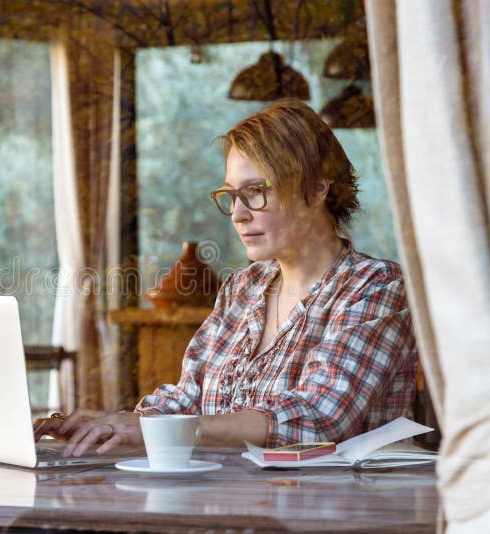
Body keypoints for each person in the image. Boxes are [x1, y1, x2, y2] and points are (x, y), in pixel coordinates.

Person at [35, 98, 418, 457]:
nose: (237, 214)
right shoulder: (242, 288)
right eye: (231, 195)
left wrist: (160, 431)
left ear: (317, 188)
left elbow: (319, 417)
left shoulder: (377, 287)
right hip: (232, 505)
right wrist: (118, 423)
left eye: (255, 191)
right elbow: (189, 396)